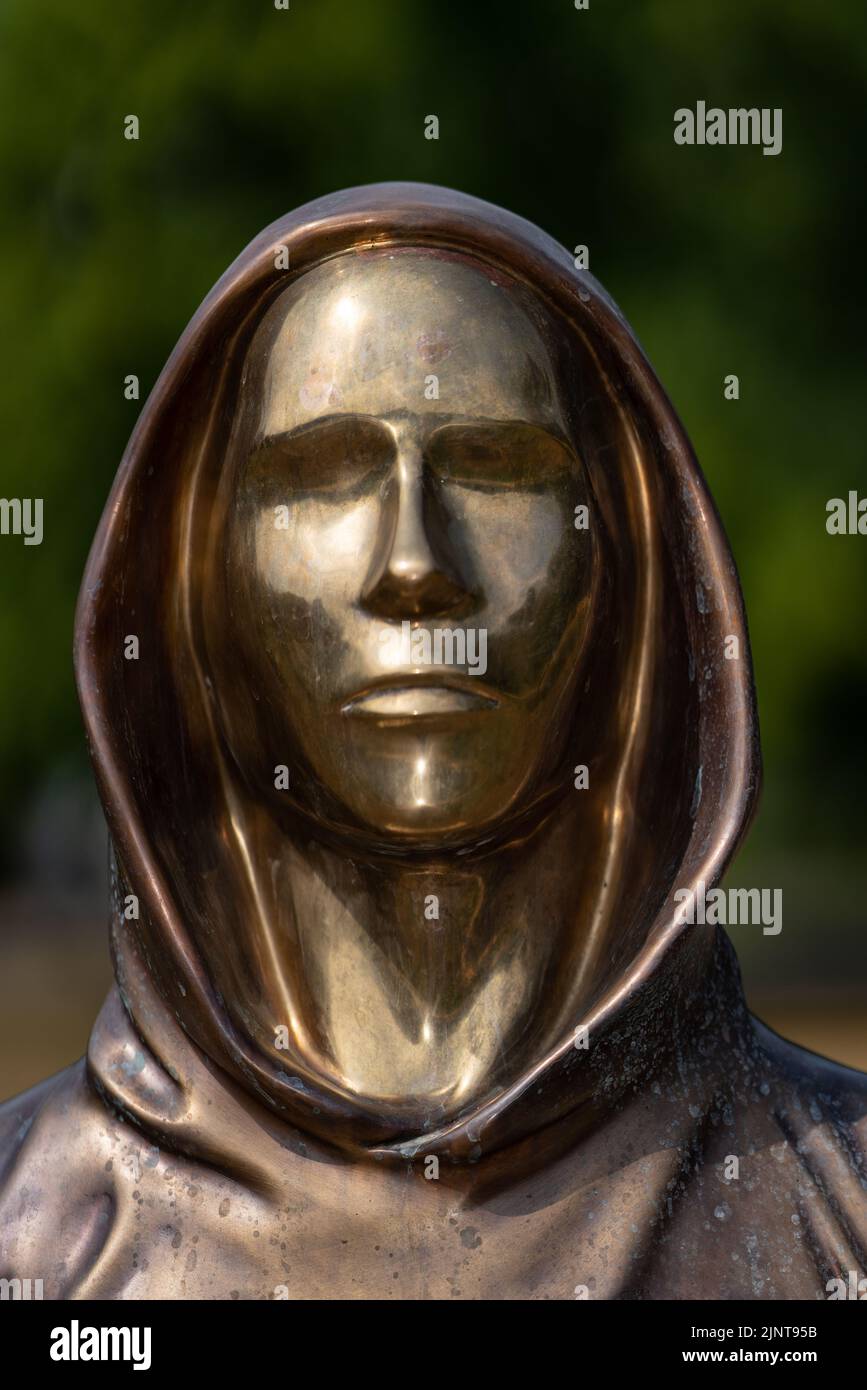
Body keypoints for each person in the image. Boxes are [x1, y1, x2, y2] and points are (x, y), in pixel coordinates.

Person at [1, 183, 864, 1299]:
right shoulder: (33, 1238)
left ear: (628, 568)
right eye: (323, 472)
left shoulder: (836, 1213)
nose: (415, 563)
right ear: (199, 588)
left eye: (499, 467)